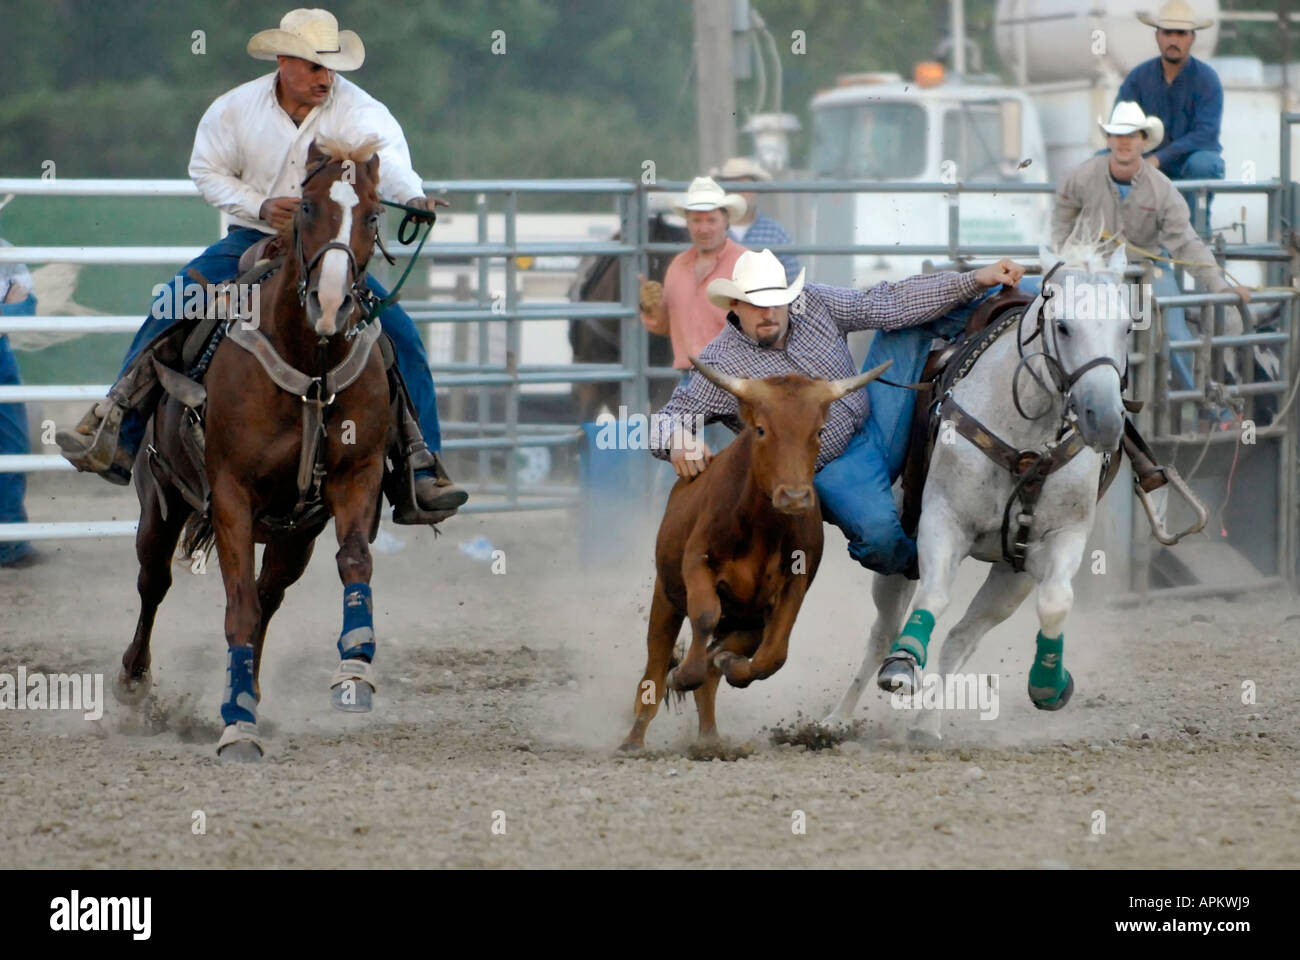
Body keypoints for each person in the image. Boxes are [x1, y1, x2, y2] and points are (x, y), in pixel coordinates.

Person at [55, 8, 465, 523]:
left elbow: (387, 162)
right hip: (254, 236)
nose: (326, 78)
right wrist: (260, 206)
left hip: (327, 247)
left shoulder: (359, 109)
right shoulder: (236, 109)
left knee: (401, 335)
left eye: (330, 67)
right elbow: (206, 169)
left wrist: (415, 195)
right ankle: (115, 424)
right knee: (175, 299)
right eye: (315, 66)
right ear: (284, 62)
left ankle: (420, 468)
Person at [650, 248, 1024, 578]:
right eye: (755, 302)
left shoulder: (812, 303)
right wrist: (677, 440)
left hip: (875, 416)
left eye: (776, 300)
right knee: (880, 535)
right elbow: (666, 420)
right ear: (734, 305)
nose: (768, 312)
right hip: (830, 465)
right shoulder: (721, 362)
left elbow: (886, 302)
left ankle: (1033, 310)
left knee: (906, 322)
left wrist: (975, 279)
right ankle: (925, 564)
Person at [1052, 102, 1251, 420]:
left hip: (1149, 272)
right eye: (1118, 134)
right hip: (1098, 271)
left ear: (1144, 141)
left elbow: (1186, 243)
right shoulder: (1081, 177)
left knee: (1174, 334)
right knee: (1073, 329)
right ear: (1108, 140)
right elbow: (1061, 223)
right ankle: (1073, 405)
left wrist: (1218, 285)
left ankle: (1206, 408)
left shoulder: (1161, 188)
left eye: (1132, 135)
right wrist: (1065, 264)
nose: (1124, 141)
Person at [639, 176, 749, 452]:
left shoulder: (746, 263)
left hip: (735, 380)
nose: (704, 228)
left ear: (725, 221)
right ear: (687, 222)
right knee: (683, 461)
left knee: (729, 463)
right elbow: (670, 327)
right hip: (690, 379)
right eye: (696, 220)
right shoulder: (678, 265)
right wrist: (653, 309)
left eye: (711, 220)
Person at [1116, 0, 1223, 218]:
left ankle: (1194, 232)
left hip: (1186, 162)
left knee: (1204, 164)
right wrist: (1135, 156)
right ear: (1157, 36)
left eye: (1181, 33)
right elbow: (1119, 124)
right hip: (1145, 159)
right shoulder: (1138, 78)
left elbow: (1206, 135)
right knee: (1102, 160)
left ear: (1192, 37)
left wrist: (1159, 158)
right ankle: (1112, 234)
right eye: (1167, 32)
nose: (1173, 40)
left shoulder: (1207, 79)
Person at [0, 236, 39, 567]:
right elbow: (16, 305)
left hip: (2, 360)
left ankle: (9, 542)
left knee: (12, 447)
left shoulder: (6, 249)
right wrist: (7, 310)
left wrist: (12, 311)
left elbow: (27, 305)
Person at [711, 156, 802, 284]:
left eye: (744, 186)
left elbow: (794, 283)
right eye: (733, 186)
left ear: (756, 190)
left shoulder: (775, 234)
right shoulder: (711, 232)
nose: (738, 193)